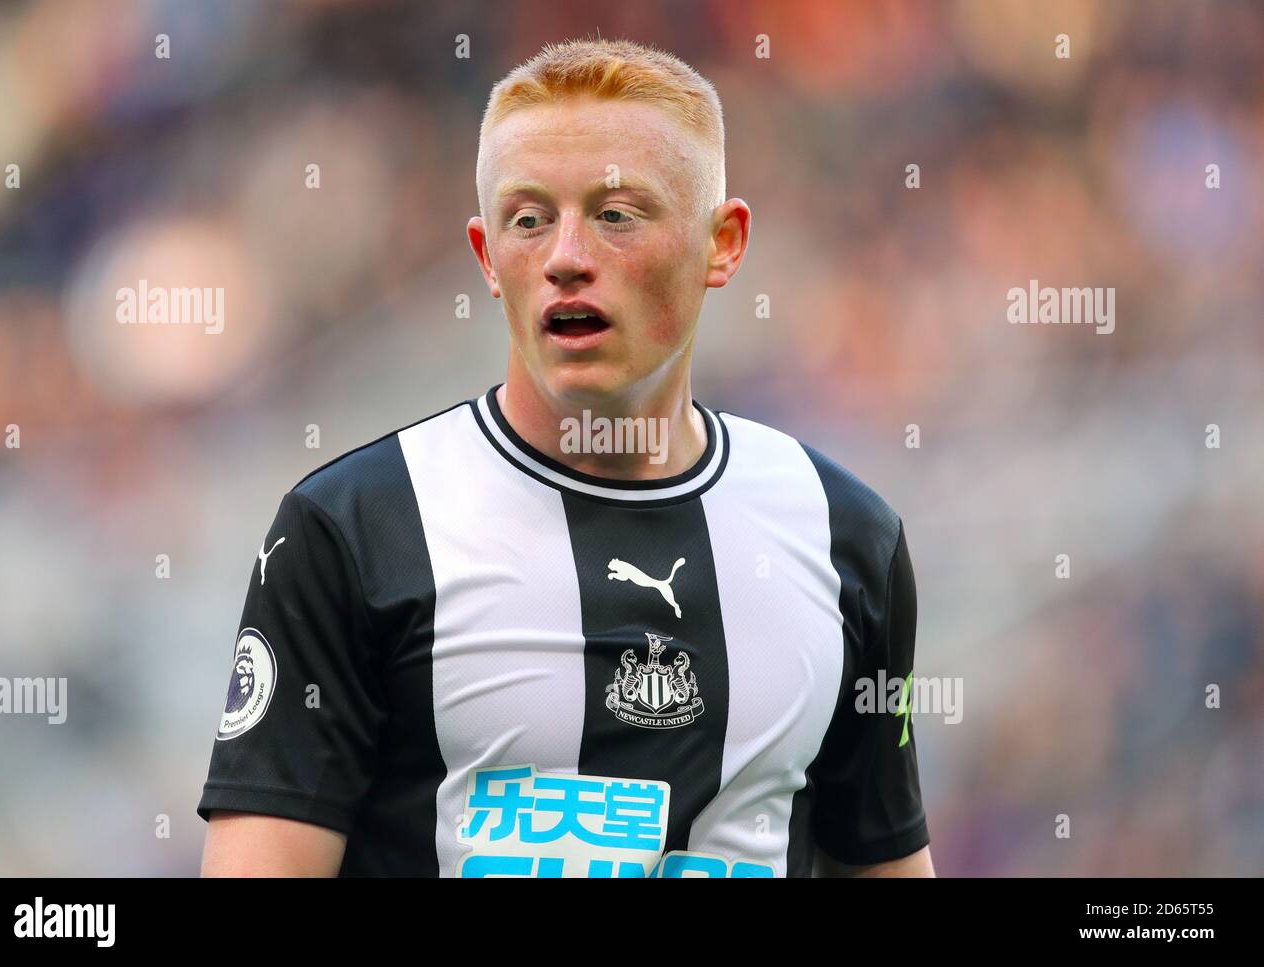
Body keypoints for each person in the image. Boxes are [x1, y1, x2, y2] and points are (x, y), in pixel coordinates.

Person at [198, 37, 933, 877]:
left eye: (617, 215)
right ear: (485, 257)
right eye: (529, 219)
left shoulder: (846, 536)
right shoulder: (355, 529)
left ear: (722, 243)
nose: (566, 257)